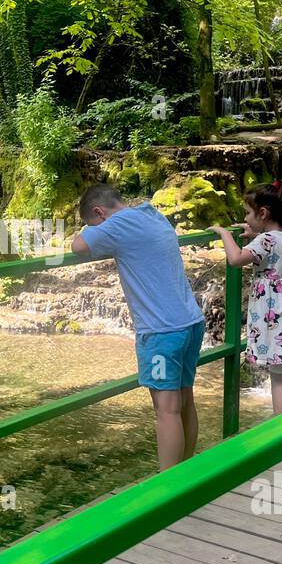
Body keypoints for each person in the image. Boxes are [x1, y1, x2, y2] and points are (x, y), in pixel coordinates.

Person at [73, 185, 206, 471]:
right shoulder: (151, 213)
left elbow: (80, 247)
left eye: (92, 224)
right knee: (185, 400)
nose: (95, 231)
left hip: (161, 333)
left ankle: (168, 489)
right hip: (191, 322)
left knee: (166, 410)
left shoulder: (118, 223)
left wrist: (80, 233)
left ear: (99, 212)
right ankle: (188, 472)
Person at [210, 182, 282, 457]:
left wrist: (224, 233)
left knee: (278, 376)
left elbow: (235, 259)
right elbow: (267, 250)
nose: (245, 218)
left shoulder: (265, 241)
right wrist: (253, 234)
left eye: (248, 213)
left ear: (264, 213)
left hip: (277, 314)